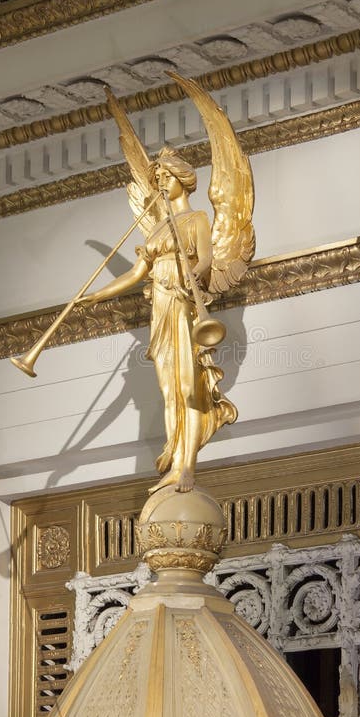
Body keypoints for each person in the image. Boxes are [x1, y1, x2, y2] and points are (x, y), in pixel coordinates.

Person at [79, 147, 236, 493]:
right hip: (161, 308)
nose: (162, 182)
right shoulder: (156, 232)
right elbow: (136, 274)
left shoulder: (196, 221)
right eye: (158, 178)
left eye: (166, 177)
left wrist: (192, 275)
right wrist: (95, 295)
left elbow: (207, 259)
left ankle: (187, 468)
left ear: (182, 180)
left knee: (186, 387)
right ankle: (175, 463)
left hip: (182, 302)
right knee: (168, 392)